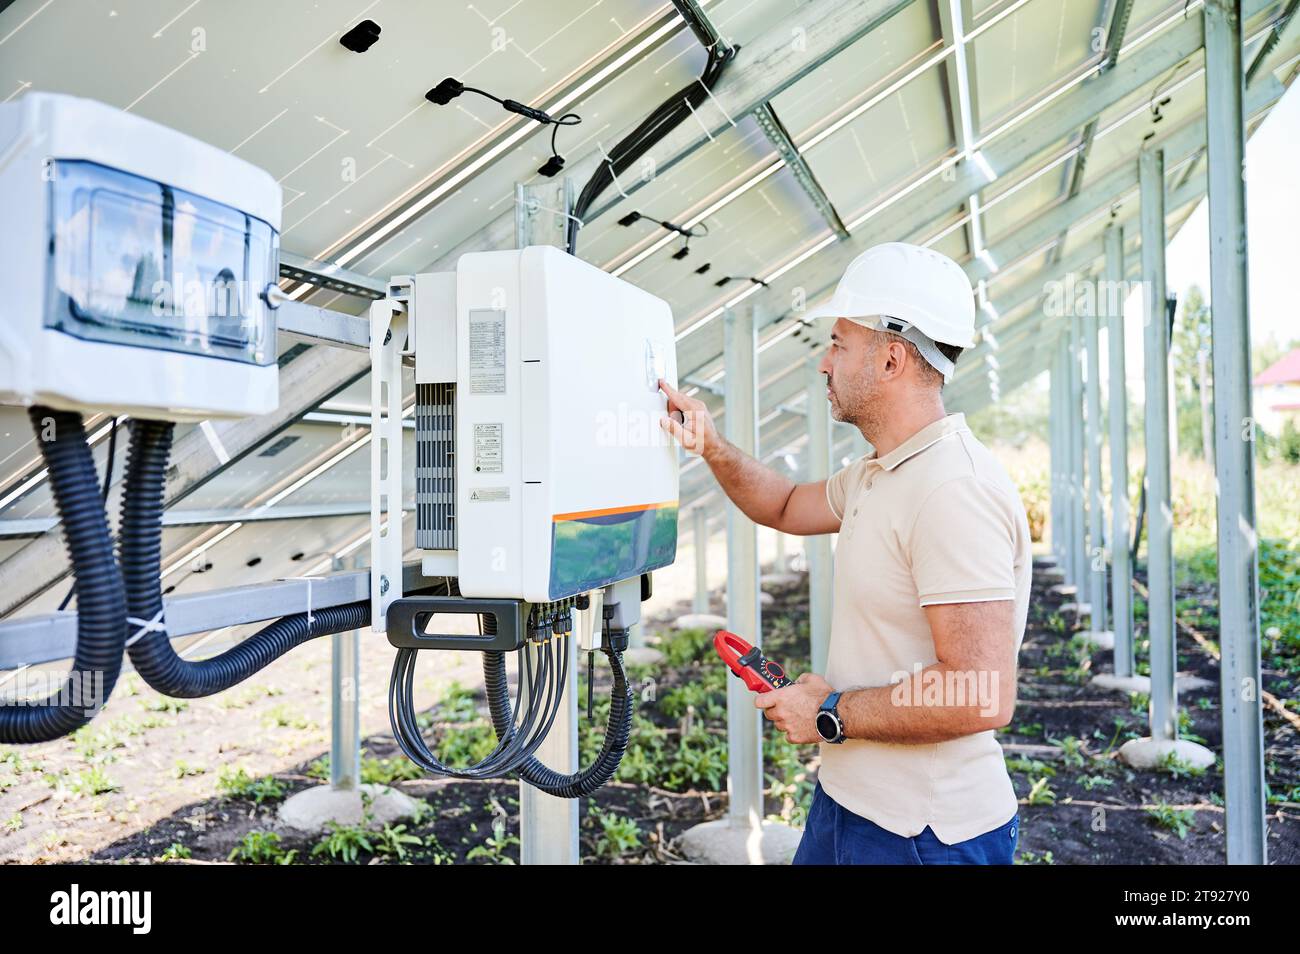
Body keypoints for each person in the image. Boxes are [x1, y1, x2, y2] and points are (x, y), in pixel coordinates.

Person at [658, 242, 1031, 865]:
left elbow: (979, 692)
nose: (823, 365)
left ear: (890, 359)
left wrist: (830, 711)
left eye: (839, 344)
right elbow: (781, 505)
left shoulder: (952, 491)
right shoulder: (878, 473)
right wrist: (713, 446)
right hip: (850, 802)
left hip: (922, 834)